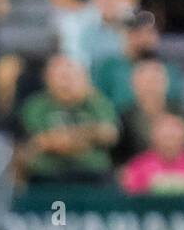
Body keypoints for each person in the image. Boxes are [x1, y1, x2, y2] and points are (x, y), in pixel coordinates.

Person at [18, 54, 118, 184]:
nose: (67, 82)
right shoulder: (36, 106)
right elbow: (41, 140)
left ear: (84, 79)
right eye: (61, 77)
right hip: (47, 176)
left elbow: (109, 134)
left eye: (73, 76)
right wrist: (90, 134)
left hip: (93, 175)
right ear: (47, 79)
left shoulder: (97, 102)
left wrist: (65, 138)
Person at [120, 113, 184, 196]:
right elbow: (130, 196)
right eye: (165, 136)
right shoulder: (138, 165)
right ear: (153, 138)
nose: (170, 141)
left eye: (174, 135)